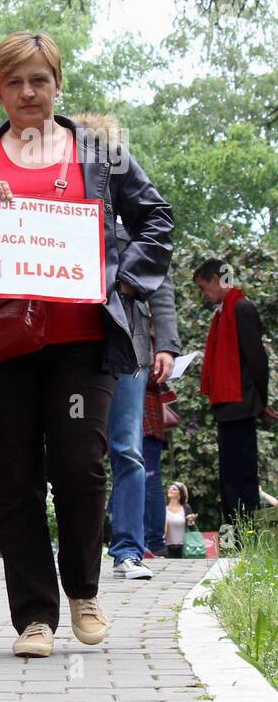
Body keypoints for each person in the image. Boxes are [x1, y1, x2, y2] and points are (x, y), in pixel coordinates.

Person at [0, 31, 173, 658]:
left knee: (81, 468)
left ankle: (84, 591)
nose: (28, 92)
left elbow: (156, 220)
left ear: (57, 82)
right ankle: (33, 618)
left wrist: (116, 278)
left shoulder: (100, 151)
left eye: (39, 79)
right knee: (13, 477)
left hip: (80, 341)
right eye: (15, 82)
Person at [106, 220, 180, 579]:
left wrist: (165, 344)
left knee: (128, 449)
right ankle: (76, 552)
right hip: (71, 349)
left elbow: (161, 285)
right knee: (72, 452)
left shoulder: (137, 222)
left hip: (130, 348)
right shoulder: (66, 204)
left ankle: (127, 552)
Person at [193, 258, 274, 521]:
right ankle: (234, 533)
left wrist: (261, 402)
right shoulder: (222, 313)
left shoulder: (241, 307)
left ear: (217, 280)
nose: (204, 295)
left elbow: (257, 360)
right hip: (228, 406)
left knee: (241, 476)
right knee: (229, 475)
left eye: (204, 287)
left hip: (241, 403)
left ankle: (245, 532)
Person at [142, 377, 178, 558]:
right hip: (149, 416)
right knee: (151, 478)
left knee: (143, 479)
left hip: (142, 417)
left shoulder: (147, 350)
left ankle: (147, 542)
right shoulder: (157, 350)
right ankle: (154, 543)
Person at [163, 483, 196, 558]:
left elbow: (192, 530)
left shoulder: (186, 508)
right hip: (166, 548)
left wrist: (191, 521)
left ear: (180, 494)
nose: (170, 490)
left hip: (184, 548)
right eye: (170, 488)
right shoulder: (163, 508)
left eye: (174, 489)